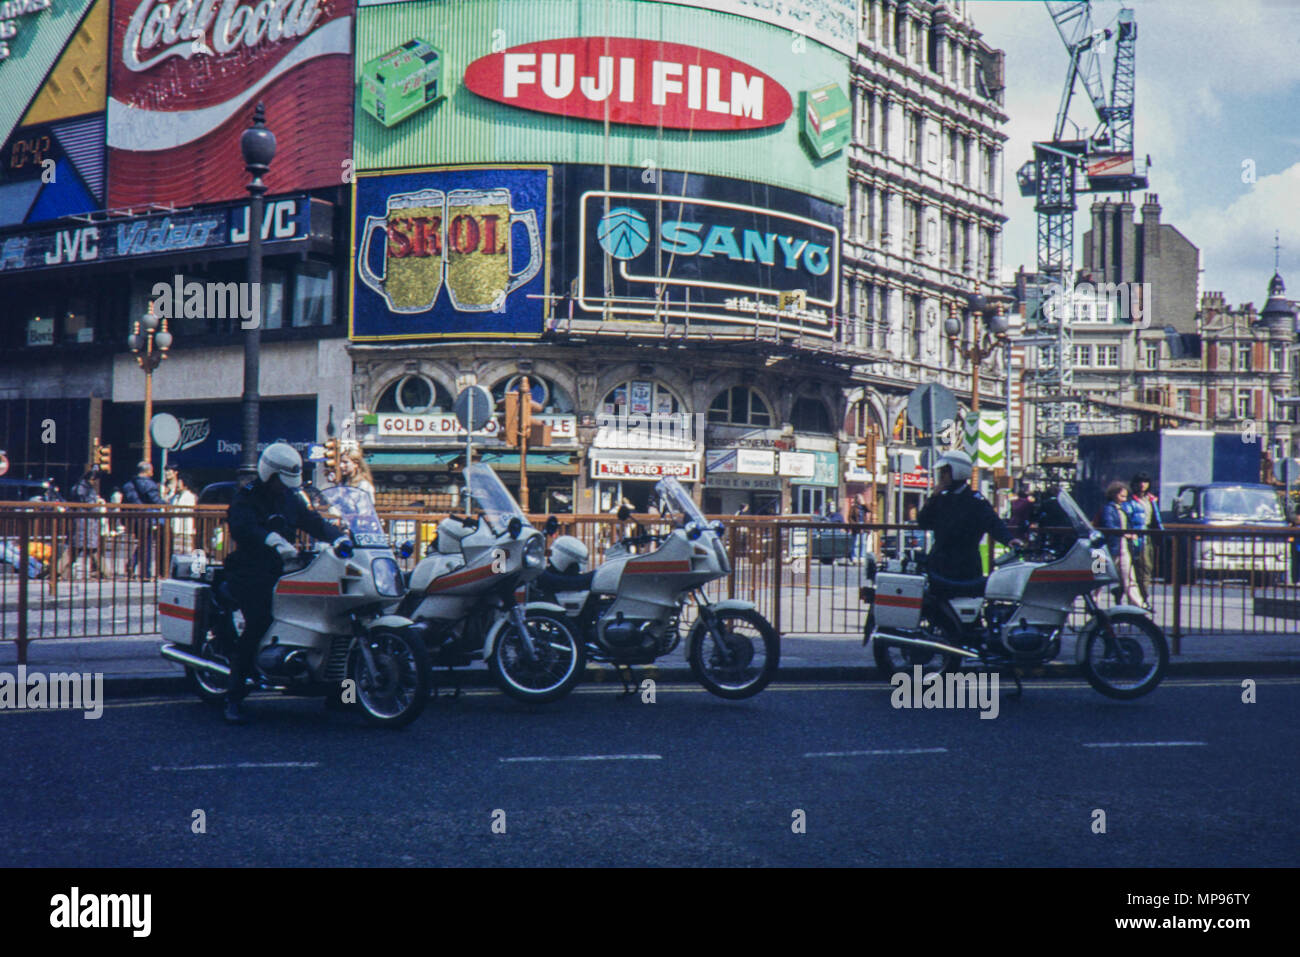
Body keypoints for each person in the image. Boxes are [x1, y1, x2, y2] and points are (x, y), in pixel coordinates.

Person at [222, 443, 348, 725]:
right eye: (281, 480)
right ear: (269, 474)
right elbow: (243, 526)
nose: (285, 486)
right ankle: (234, 697)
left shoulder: (291, 498)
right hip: (251, 570)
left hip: (286, 570)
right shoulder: (248, 496)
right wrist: (272, 540)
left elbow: (312, 521)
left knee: (334, 622)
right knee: (258, 622)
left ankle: (343, 695)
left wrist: (338, 537)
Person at [916, 450, 1022, 601]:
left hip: (965, 563)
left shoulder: (975, 500)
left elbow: (993, 522)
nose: (941, 477)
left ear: (957, 472)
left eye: (945, 472)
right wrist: (932, 498)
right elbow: (923, 522)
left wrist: (1009, 540)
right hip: (940, 561)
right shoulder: (940, 498)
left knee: (969, 607)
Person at [1099, 481, 1144, 606]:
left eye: (1125, 496)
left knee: (1129, 577)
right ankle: (1094, 602)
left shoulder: (1122, 508)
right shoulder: (1108, 509)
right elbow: (1109, 526)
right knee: (1099, 577)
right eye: (1122, 496)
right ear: (1114, 495)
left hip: (1121, 547)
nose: (1124, 499)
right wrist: (1125, 534)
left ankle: (1137, 603)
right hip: (1109, 547)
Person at [56, 465, 105, 579]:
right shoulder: (87, 489)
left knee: (74, 550)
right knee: (90, 550)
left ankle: (58, 571)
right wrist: (99, 507)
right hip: (87, 522)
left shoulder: (76, 487)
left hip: (78, 521)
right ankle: (105, 572)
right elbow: (91, 506)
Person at [1123, 471, 1162, 610]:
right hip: (1137, 537)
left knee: (1146, 568)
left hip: (1148, 536)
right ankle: (1143, 599)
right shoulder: (1130, 501)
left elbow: (1156, 520)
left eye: (1145, 482)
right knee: (1142, 569)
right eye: (1140, 482)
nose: (1142, 485)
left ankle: (1123, 592)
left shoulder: (1150, 500)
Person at [121, 461, 165, 579]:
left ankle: (131, 565)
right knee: (147, 545)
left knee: (143, 544)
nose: (152, 473)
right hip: (148, 518)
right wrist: (166, 504)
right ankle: (146, 573)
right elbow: (156, 500)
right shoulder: (150, 484)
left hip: (135, 518)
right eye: (151, 470)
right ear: (147, 471)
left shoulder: (128, 485)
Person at [167, 469, 197, 555]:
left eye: (180, 483)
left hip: (185, 529)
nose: (177, 485)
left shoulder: (190, 496)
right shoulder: (175, 496)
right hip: (175, 528)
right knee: (176, 552)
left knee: (186, 552)